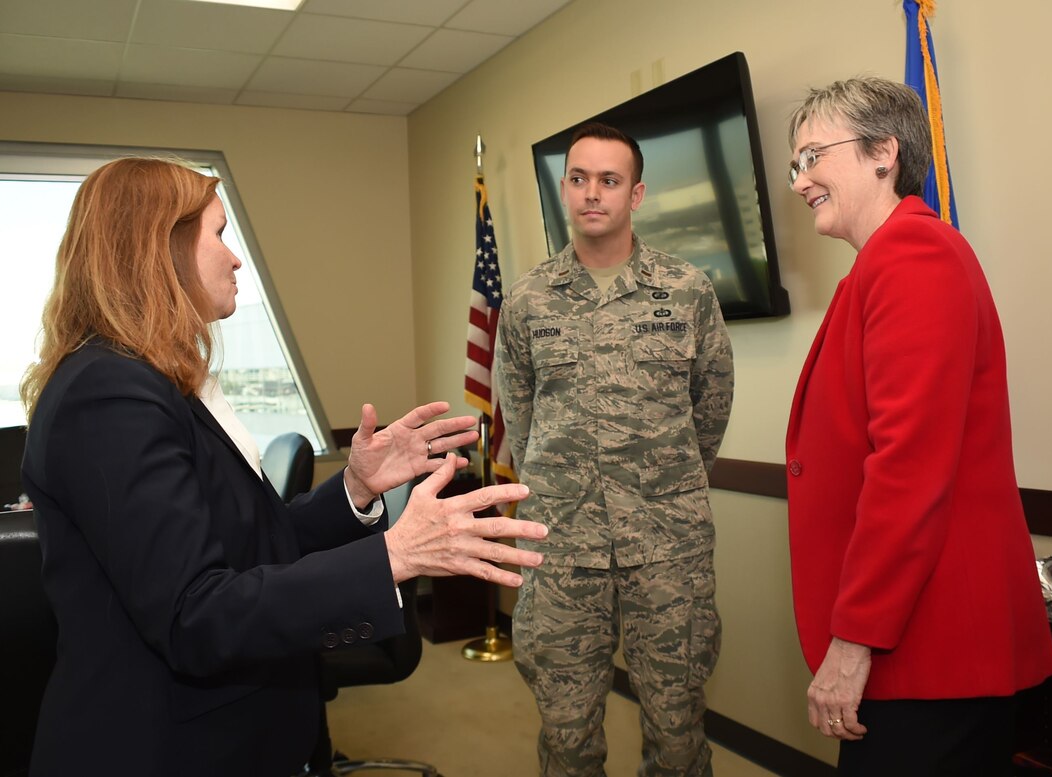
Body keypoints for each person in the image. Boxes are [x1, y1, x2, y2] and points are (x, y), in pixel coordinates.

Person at [18, 157, 548, 777]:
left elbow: (252, 546)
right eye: (218, 234)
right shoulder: (109, 395)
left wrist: (354, 487)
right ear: (155, 250)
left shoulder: (156, 380)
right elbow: (195, 614)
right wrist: (394, 556)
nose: (234, 257)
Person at [784, 77, 1052, 775]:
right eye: (795, 164)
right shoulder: (876, 266)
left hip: (930, 643)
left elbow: (908, 470)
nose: (800, 180)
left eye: (814, 156)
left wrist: (854, 639)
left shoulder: (915, 255)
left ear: (884, 152)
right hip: (911, 641)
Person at [496, 122, 733, 776]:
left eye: (609, 179)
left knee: (677, 730)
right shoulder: (526, 300)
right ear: (564, 190)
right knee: (567, 736)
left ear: (637, 194)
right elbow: (521, 417)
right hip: (564, 548)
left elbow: (709, 407)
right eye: (578, 178)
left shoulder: (686, 291)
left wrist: (665, 487)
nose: (591, 193)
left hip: (667, 548)